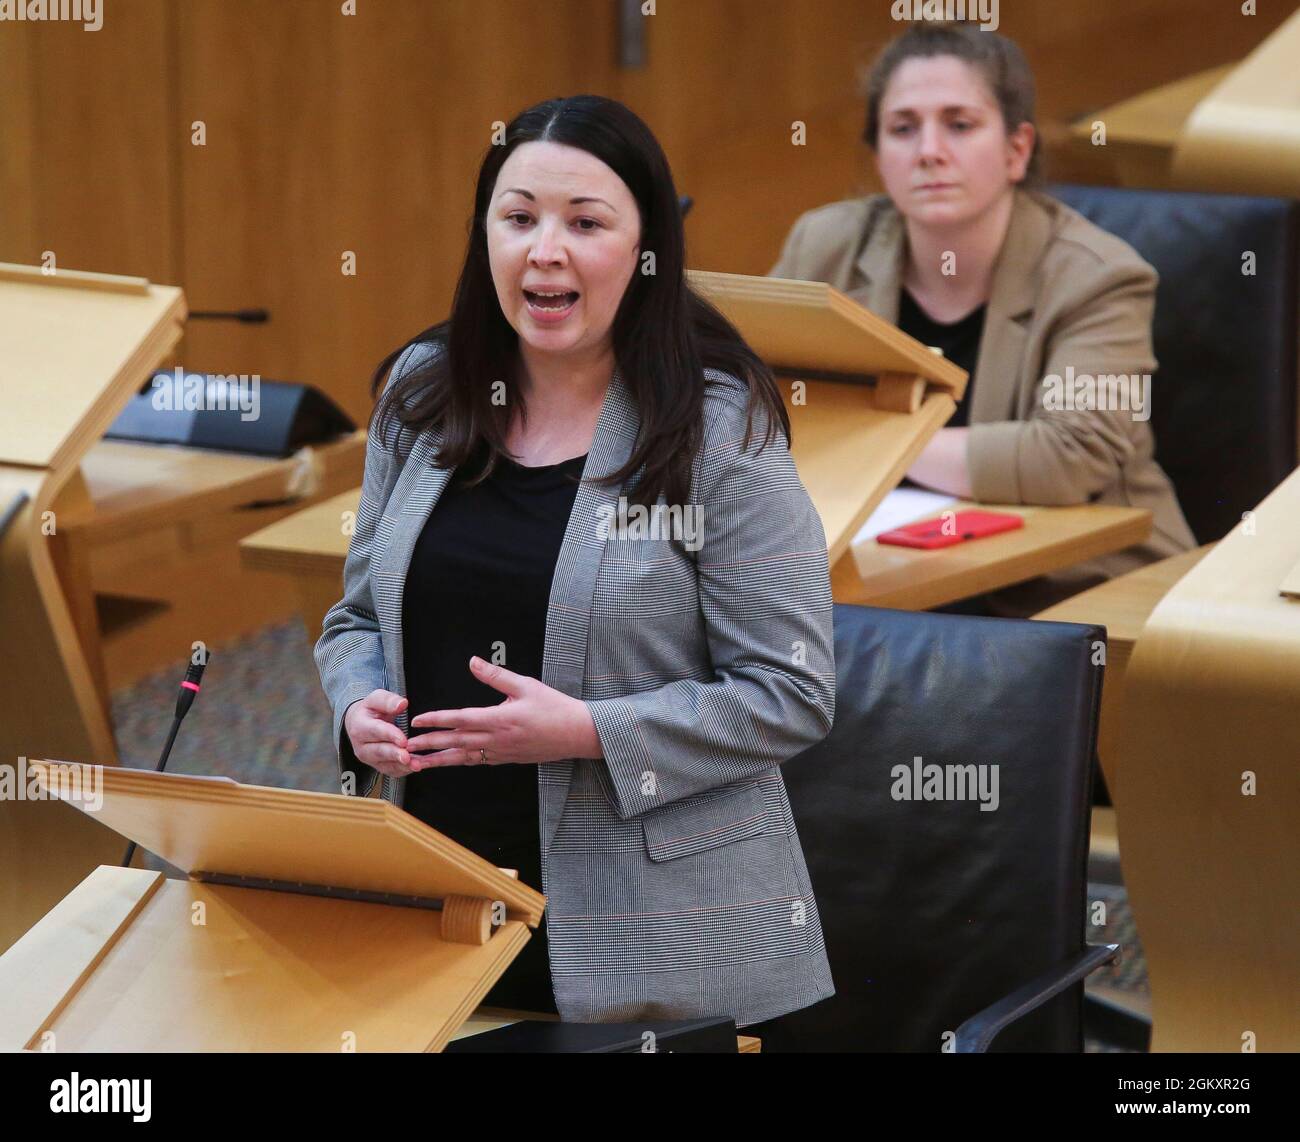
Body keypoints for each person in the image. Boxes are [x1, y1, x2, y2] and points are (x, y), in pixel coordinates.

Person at [314, 95, 836, 1030]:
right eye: (517, 219)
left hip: (651, 932)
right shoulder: (421, 393)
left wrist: (591, 730)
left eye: (585, 223)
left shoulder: (719, 428)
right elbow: (355, 618)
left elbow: (790, 693)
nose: (543, 250)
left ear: (645, 253)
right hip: (437, 900)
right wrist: (356, 704)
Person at [770, 21, 1196, 616]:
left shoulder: (1099, 276)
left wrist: (869, 446)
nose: (929, 151)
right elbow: (747, 404)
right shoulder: (826, 245)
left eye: (960, 124)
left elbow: (1070, 457)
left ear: (1016, 150)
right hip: (887, 578)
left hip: (1078, 589)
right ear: (879, 156)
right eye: (902, 129)